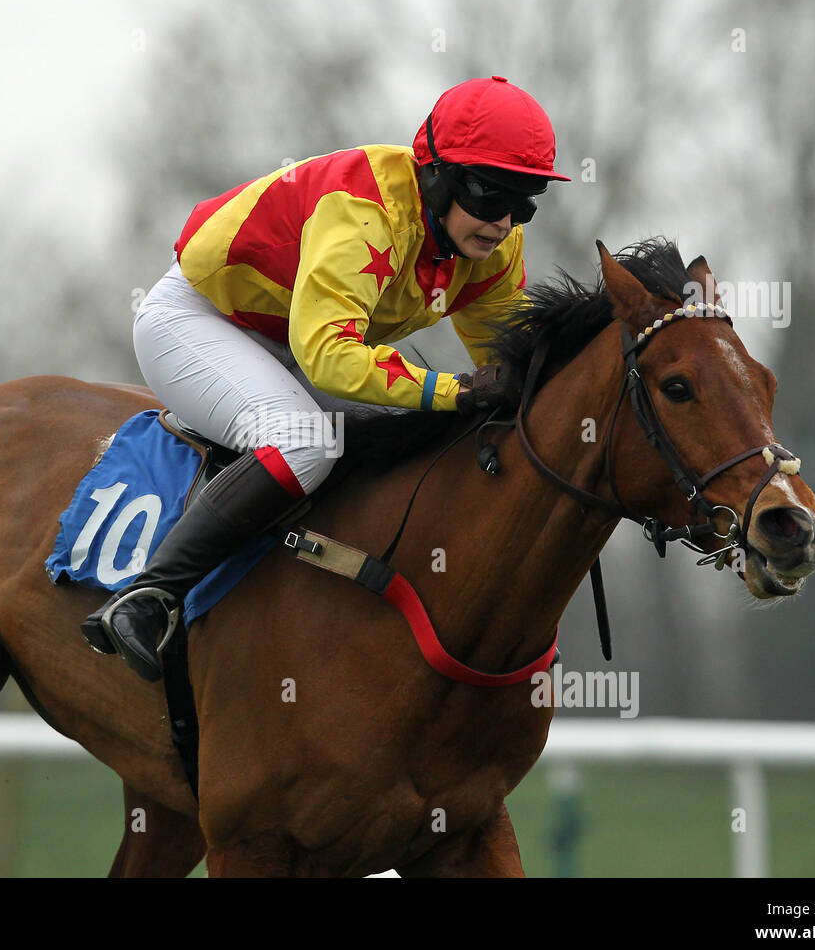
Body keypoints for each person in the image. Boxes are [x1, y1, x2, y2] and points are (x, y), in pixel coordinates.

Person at [81, 76, 570, 682]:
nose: (503, 223)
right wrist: (452, 390)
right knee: (307, 441)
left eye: (523, 204)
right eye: (491, 196)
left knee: (427, 439)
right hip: (200, 320)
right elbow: (330, 355)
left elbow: (510, 357)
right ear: (436, 174)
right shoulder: (363, 213)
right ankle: (149, 598)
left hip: (290, 337)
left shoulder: (487, 244)